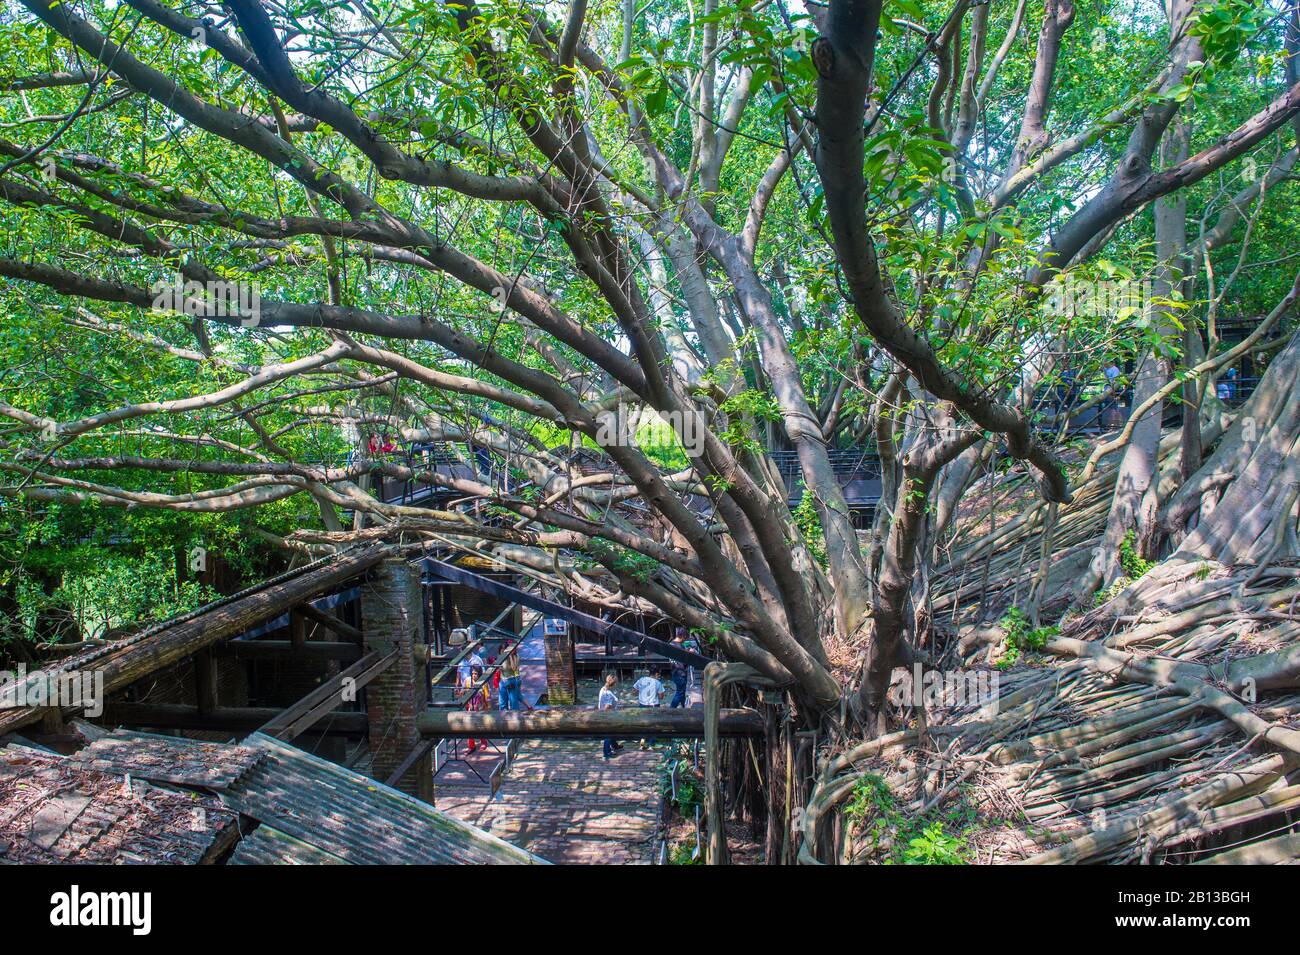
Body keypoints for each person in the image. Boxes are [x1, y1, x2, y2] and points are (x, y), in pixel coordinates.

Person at [632, 668, 665, 749]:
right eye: (658, 675)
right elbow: (661, 697)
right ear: (656, 674)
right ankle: (651, 744)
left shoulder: (641, 680)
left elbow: (633, 692)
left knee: (643, 726)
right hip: (653, 706)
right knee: (653, 726)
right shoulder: (658, 683)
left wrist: (642, 693)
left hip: (642, 705)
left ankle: (642, 744)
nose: (659, 677)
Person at [465, 665, 490, 754]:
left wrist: (486, 708)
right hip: (470, 707)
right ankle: (471, 746)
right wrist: (468, 704)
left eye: (476, 674)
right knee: (469, 727)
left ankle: (484, 742)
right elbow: (464, 694)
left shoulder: (484, 683)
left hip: (480, 708)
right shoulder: (468, 681)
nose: (474, 675)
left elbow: (487, 697)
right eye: (472, 673)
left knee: (480, 727)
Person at [598, 673, 622, 759]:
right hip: (608, 716)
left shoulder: (603, 689)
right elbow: (607, 707)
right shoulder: (608, 693)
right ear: (614, 683)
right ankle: (607, 752)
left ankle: (615, 745)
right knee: (608, 734)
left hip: (604, 714)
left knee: (612, 731)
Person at [669, 628, 690, 709]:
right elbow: (684, 662)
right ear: (683, 636)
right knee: (680, 693)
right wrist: (689, 654)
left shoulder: (671, 644)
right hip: (680, 673)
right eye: (685, 638)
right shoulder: (680, 647)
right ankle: (671, 709)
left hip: (674, 672)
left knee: (682, 691)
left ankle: (683, 706)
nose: (685, 641)